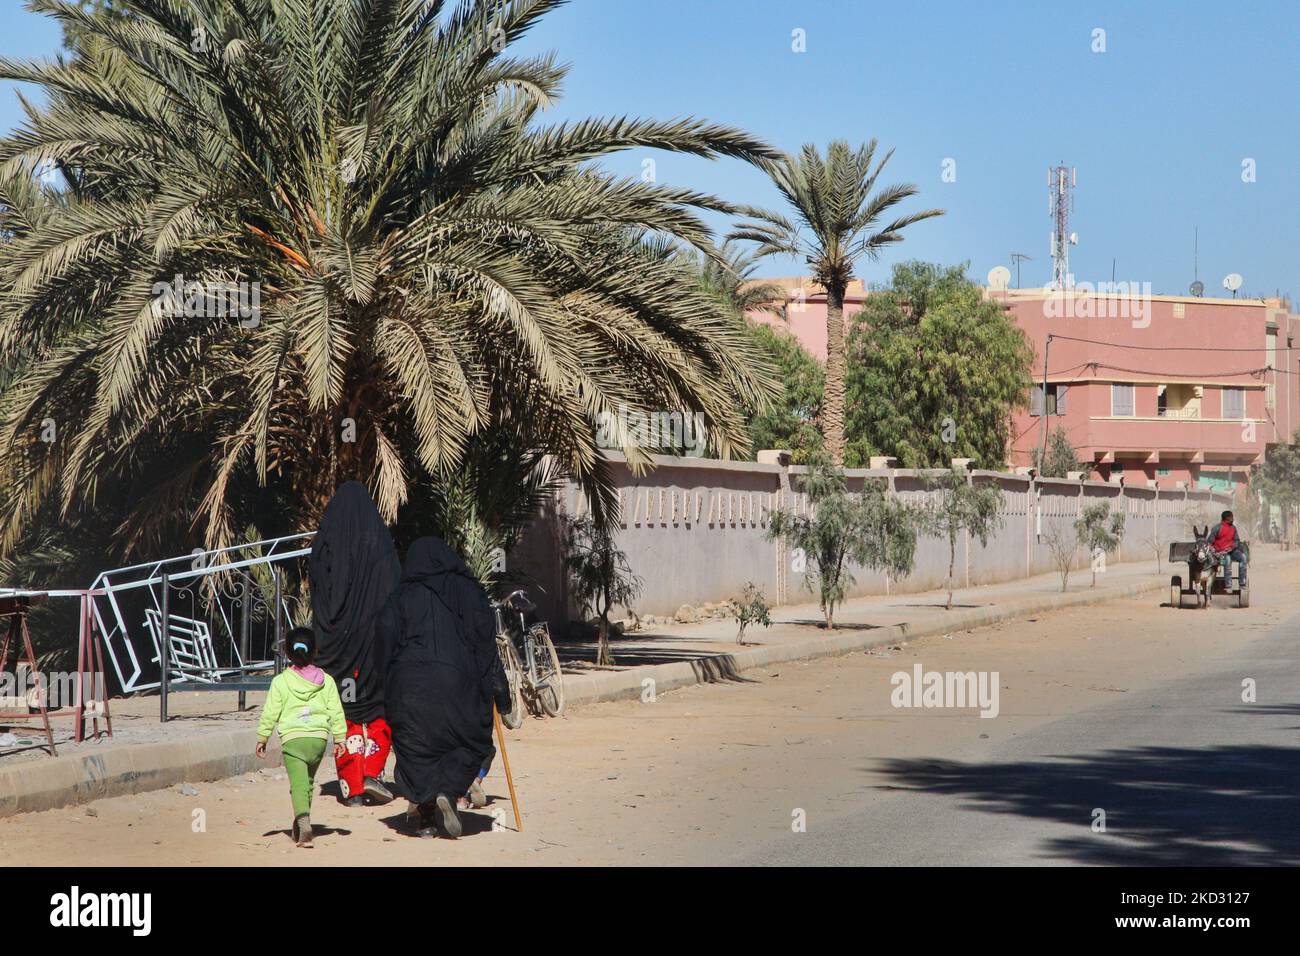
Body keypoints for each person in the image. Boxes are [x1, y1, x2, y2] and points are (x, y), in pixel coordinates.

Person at [380, 536, 514, 838]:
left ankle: (425, 815)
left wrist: (386, 683)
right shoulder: (470, 592)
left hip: (410, 688)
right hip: (459, 687)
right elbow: (486, 648)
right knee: (469, 742)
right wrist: (501, 696)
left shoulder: (401, 595)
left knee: (416, 748)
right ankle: (448, 791)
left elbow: (384, 636)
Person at [310, 481, 402, 806]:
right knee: (379, 706)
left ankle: (352, 786)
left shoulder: (326, 541)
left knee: (345, 712)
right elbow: (394, 594)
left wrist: (327, 631)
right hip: (374, 645)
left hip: (339, 646)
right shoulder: (381, 542)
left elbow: (319, 590)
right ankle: (371, 772)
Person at [256, 627, 347, 847]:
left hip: (293, 739)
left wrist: (263, 737)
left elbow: (271, 712)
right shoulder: (326, 680)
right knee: (306, 782)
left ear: (287, 653)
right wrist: (340, 737)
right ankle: (300, 822)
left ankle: (304, 823)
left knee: (298, 783)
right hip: (317, 739)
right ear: (315, 651)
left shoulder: (280, 681)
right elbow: (336, 710)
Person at [1211, 510, 1248, 587]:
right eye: (1231, 517)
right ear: (1227, 518)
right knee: (1227, 560)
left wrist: (1232, 547)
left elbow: (1237, 541)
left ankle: (1242, 582)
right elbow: (1210, 541)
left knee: (1243, 557)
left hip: (1232, 551)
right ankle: (1228, 584)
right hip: (1221, 553)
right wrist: (1213, 550)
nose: (1233, 519)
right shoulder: (1216, 528)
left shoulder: (1233, 528)